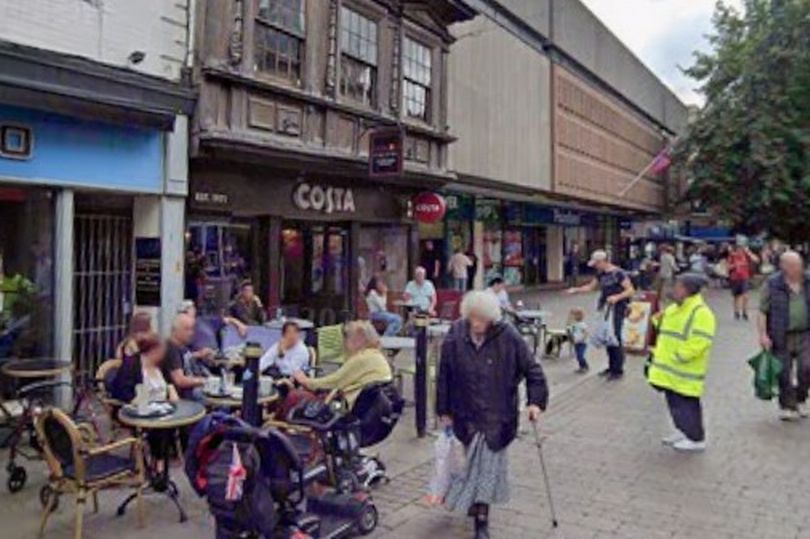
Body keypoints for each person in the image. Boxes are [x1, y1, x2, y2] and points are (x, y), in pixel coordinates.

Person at [436, 291, 548, 539]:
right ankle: (473, 502)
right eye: (473, 318)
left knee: (486, 469)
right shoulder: (456, 332)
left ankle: (482, 521)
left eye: (482, 320)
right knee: (470, 465)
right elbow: (445, 373)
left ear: (492, 319)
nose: (476, 324)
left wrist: (535, 402)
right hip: (465, 412)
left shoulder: (508, 335)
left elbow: (532, 369)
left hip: (497, 416)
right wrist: (443, 409)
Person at [647, 273, 716, 452]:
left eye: (677, 287)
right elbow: (663, 326)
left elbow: (700, 341)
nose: (673, 290)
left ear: (687, 290)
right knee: (675, 404)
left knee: (687, 405)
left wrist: (680, 356)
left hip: (685, 370)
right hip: (671, 369)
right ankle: (683, 431)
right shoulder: (674, 309)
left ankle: (695, 438)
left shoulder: (701, 313)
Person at [291, 321, 392, 409]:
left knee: (294, 397)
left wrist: (306, 381)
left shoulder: (362, 358)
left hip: (352, 407)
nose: (344, 343)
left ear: (360, 338)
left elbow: (335, 381)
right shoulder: (373, 355)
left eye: (347, 337)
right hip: (367, 406)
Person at [758, 251, 810, 421]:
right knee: (783, 372)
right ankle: (787, 405)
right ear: (783, 267)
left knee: (806, 368)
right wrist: (763, 335)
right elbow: (762, 311)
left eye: (799, 265)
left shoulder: (808, 281)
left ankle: (801, 398)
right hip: (780, 334)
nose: (798, 269)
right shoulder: (772, 284)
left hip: (805, 333)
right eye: (793, 265)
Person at [567, 250, 635, 380]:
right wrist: (576, 290)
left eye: (596, 264)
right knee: (607, 337)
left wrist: (617, 297)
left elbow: (630, 290)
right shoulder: (601, 274)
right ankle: (611, 367)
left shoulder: (618, 273)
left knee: (615, 337)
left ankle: (618, 370)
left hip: (617, 308)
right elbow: (591, 287)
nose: (595, 267)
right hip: (605, 308)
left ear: (603, 261)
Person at [111, 331, 179, 404]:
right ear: (153, 350)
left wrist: (171, 390)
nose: (164, 353)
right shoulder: (131, 365)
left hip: (164, 407)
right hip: (140, 407)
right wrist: (136, 401)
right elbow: (122, 391)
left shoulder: (161, 365)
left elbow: (169, 382)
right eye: (161, 350)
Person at [162, 313, 207, 400]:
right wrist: (205, 381)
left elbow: (186, 358)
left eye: (192, 329)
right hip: (185, 395)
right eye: (187, 329)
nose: (191, 333)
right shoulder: (171, 349)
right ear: (175, 330)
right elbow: (180, 380)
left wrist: (199, 354)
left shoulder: (182, 346)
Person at [727, 243, 759, 320]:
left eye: (741, 250)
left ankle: (745, 312)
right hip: (735, 278)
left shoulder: (746, 256)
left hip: (744, 278)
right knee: (736, 297)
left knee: (745, 296)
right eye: (738, 250)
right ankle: (736, 312)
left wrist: (749, 252)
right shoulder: (732, 256)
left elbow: (756, 260)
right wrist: (735, 265)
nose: (740, 251)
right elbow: (728, 267)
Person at [569, 307, 589, 373]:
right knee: (578, 356)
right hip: (576, 342)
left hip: (582, 343)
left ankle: (585, 366)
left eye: (576, 315)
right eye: (574, 315)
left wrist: (583, 338)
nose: (574, 317)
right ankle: (581, 367)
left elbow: (586, 332)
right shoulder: (574, 324)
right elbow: (570, 326)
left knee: (580, 355)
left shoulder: (582, 324)